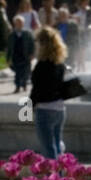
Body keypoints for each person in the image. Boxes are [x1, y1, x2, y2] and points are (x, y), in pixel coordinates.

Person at [30, 25, 68, 159]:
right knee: (57, 145)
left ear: (42, 44)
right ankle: (60, 177)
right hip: (59, 109)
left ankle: (52, 178)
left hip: (45, 109)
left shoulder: (41, 65)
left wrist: (28, 110)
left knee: (48, 148)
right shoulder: (60, 64)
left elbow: (37, 90)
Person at [7, 15, 35, 92]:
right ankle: (17, 86)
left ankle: (24, 84)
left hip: (25, 56)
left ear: (23, 24)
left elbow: (32, 44)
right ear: (14, 24)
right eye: (17, 23)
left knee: (25, 72)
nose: (19, 24)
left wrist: (32, 54)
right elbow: (9, 48)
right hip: (16, 56)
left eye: (20, 23)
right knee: (17, 73)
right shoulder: (12, 35)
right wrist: (8, 58)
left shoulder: (28, 33)